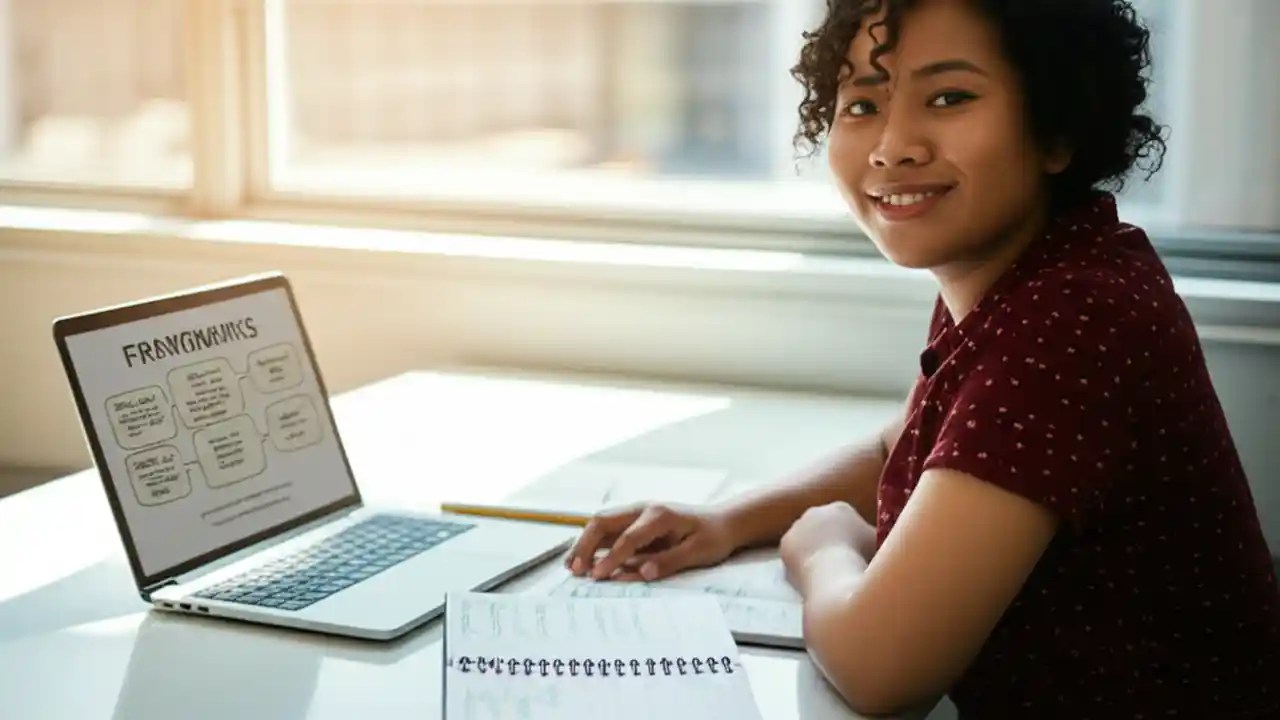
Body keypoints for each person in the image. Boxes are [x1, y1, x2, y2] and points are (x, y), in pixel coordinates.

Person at [564, 0, 1280, 716]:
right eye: (862, 103)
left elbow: (882, 669)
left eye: (949, 97)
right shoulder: (1033, 270)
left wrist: (823, 546)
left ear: (1058, 126)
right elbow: (909, 443)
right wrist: (727, 520)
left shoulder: (1072, 320)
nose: (892, 144)